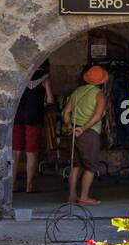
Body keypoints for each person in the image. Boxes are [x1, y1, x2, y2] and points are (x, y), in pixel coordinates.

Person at [63, 65, 108, 205]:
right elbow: (98, 116)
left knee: (75, 165)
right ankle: (83, 196)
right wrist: (83, 128)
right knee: (90, 166)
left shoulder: (77, 92)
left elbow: (66, 112)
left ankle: (71, 195)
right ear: (102, 81)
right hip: (88, 133)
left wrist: (70, 126)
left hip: (73, 132)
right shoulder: (99, 94)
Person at [12, 60, 54, 195]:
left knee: (15, 152)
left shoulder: (20, 76)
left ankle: (12, 184)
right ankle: (30, 186)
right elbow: (50, 100)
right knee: (32, 152)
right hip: (34, 117)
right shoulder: (45, 78)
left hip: (17, 116)